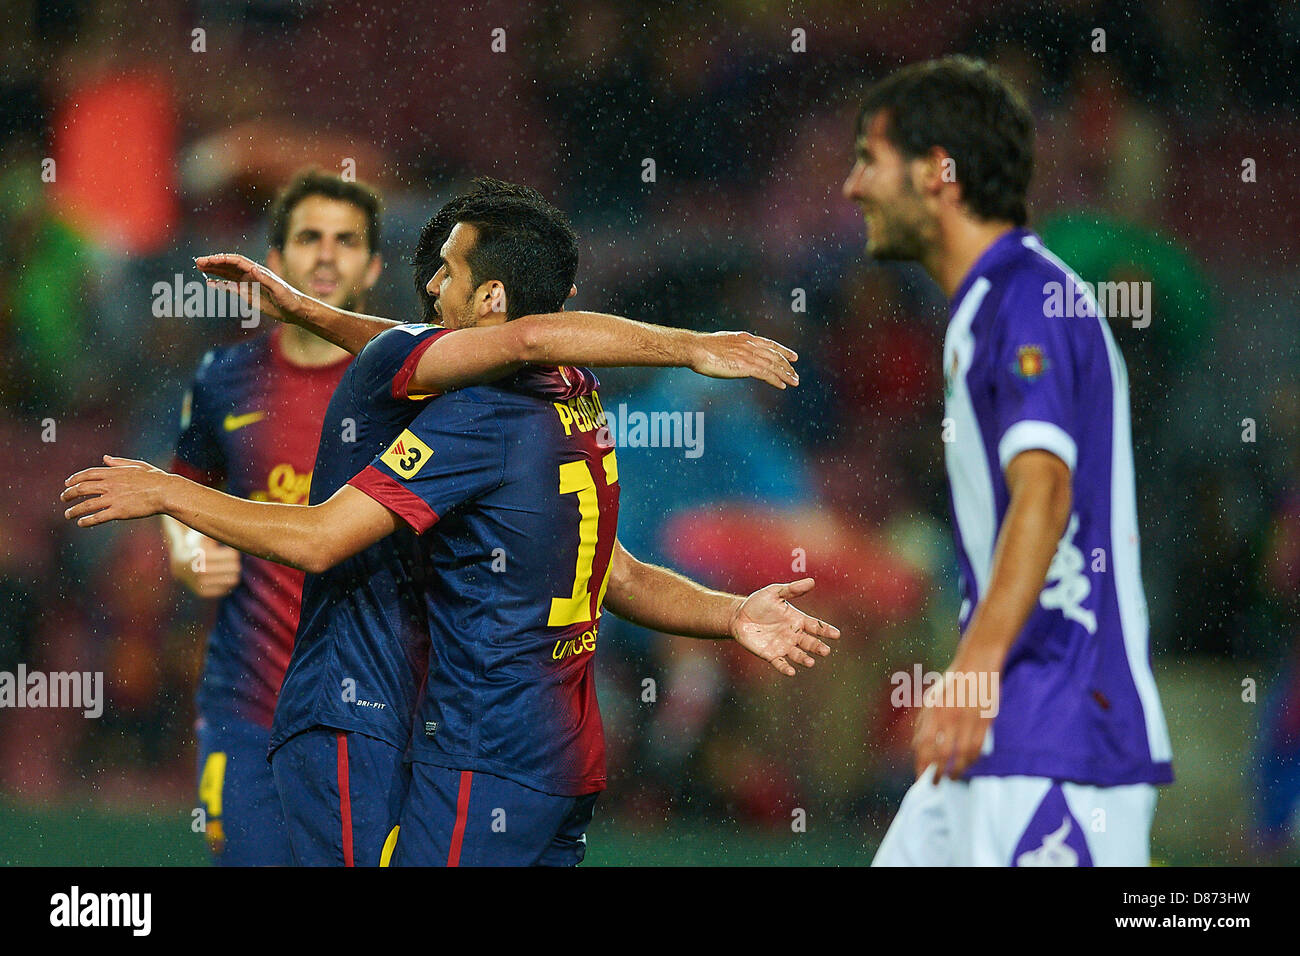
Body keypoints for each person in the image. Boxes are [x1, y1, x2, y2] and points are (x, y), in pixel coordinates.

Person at [65, 187, 832, 866]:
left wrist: (167, 491)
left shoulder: (473, 417)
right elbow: (619, 575)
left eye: (449, 272)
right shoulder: (581, 402)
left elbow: (320, 536)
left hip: (465, 749)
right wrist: (731, 613)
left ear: (493, 298)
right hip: (564, 763)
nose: (429, 284)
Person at [840, 56, 1172, 866]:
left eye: (868, 159)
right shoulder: (984, 311)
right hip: (999, 735)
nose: (851, 187)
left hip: (1060, 740)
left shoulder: (1029, 300)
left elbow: (1045, 493)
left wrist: (971, 673)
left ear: (939, 175)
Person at [164, 168, 380, 865]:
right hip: (247, 706)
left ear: (373, 266)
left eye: (345, 241)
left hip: (372, 711)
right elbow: (183, 489)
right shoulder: (224, 377)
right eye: (308, 238)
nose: (325, 255)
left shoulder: (408, 387)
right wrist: (185, 549)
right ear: (276, 259)